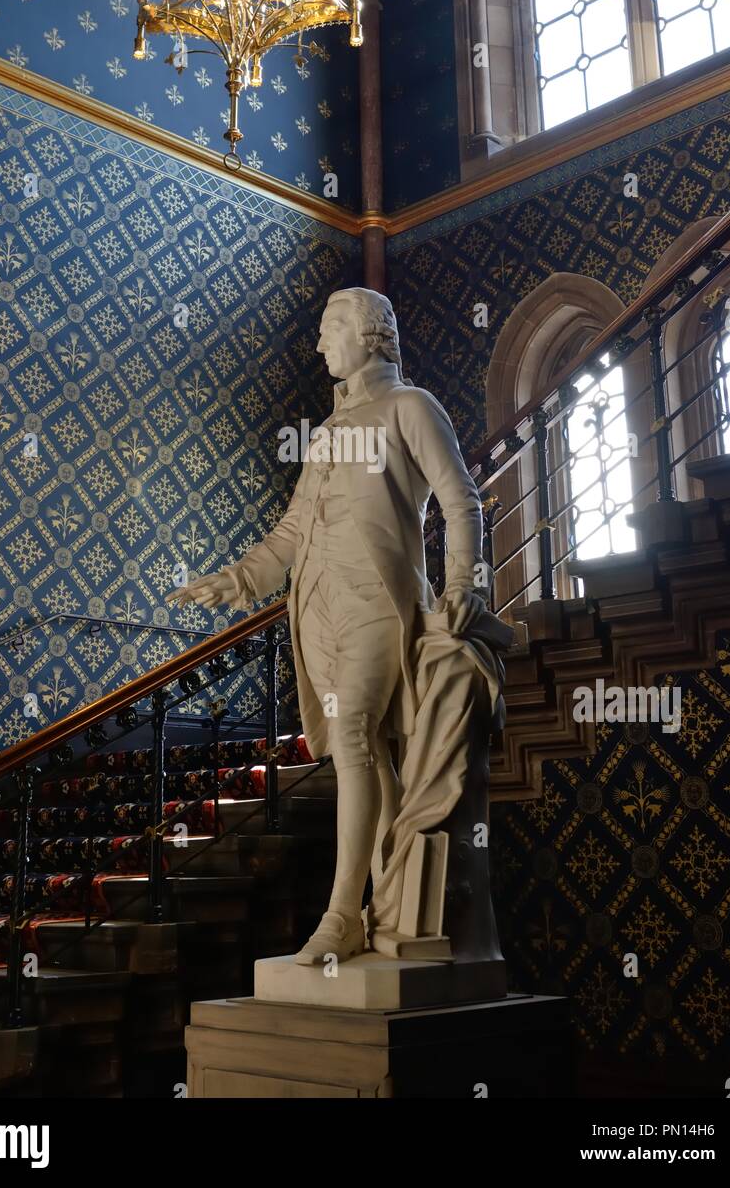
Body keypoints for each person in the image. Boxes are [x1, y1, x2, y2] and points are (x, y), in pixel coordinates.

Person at [167, 287, 510, 965]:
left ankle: (339, 915)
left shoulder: (409, 407)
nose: (321, 344)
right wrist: (235, 579)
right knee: (366, 758)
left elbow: (458, 497)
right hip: (316, 604)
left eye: (331, 330)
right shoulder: (326, 433)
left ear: (370, 336)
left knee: (352, 731)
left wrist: (463, 584)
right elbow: (292, 529)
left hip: (377, 600)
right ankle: (384, 904)